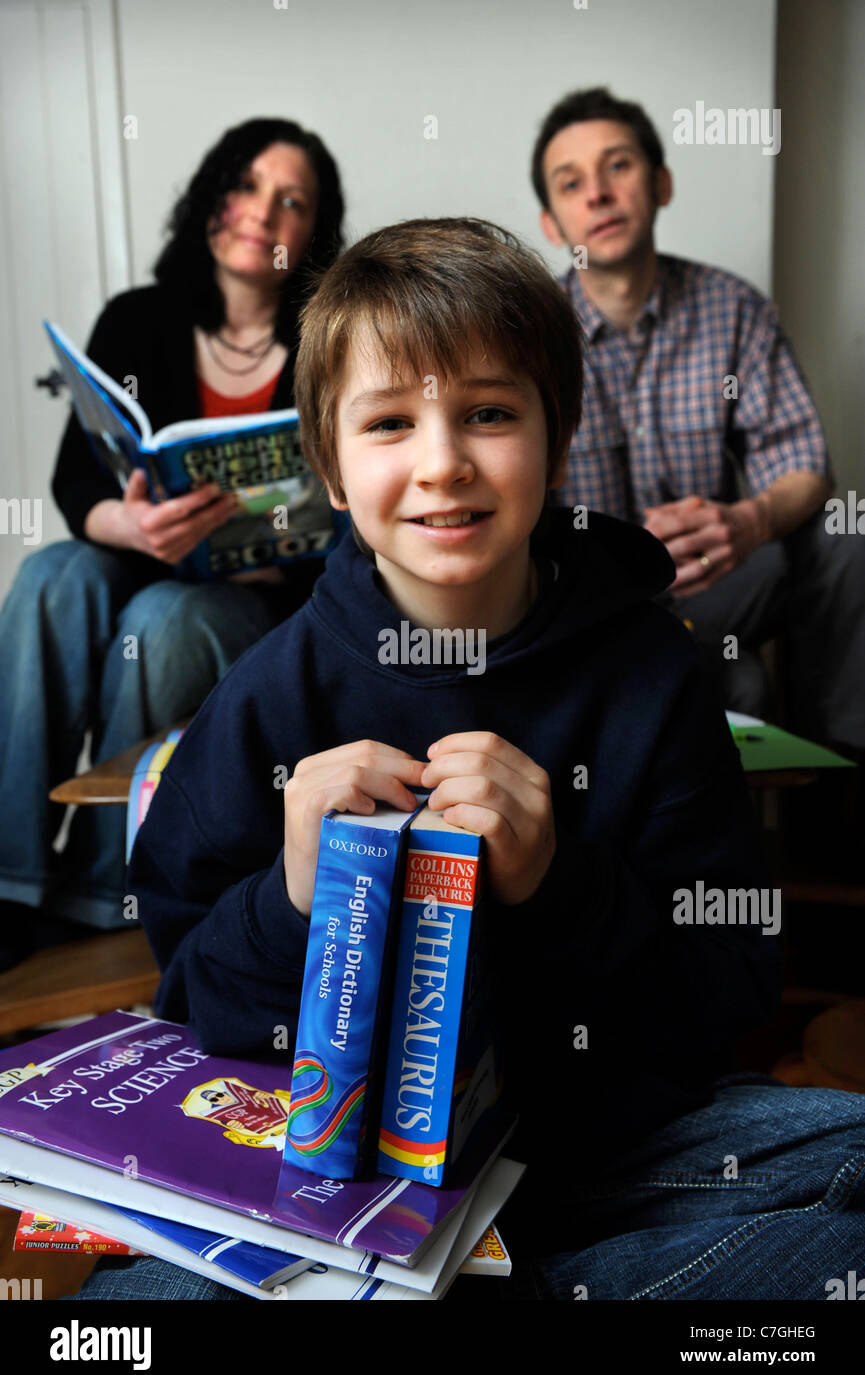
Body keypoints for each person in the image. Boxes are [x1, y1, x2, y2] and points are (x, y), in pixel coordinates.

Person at [69, 219, 864, 1301]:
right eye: (389, 422)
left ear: (556, 434)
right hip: (324, 1179)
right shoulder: (270, 690)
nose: (442, 462)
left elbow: (726, 992)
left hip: (586, 1154)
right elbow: (195, 1000)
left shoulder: (652, 673)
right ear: (331, 471)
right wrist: (291, 896)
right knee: (133, 1309)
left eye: (489, 413)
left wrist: (562, 883)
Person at [0, 117, 344, 970]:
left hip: (257, 596)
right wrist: (128, 521)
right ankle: (7, 881)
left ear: (312, 232)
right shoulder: (138, 320)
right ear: (211, 200)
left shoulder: (330, 344)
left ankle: (100, 888)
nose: (261, 213)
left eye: (290, 200)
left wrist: (262, 538)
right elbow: (78, 483)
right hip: (127, 556)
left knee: (162, 618)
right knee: (50, 573)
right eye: (245, 186)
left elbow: (349, 518)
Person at [531, 87, 865, 759]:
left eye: (617, 166)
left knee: (844, 531)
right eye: (571, 184)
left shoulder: (731, 306)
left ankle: (841, 785)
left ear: (660, 183)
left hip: (717, 583)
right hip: (590, 603)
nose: (596, 194)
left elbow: (803, 466)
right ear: (551, 224)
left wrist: (749, 521)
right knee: (737, 680)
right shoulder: (530, 332)